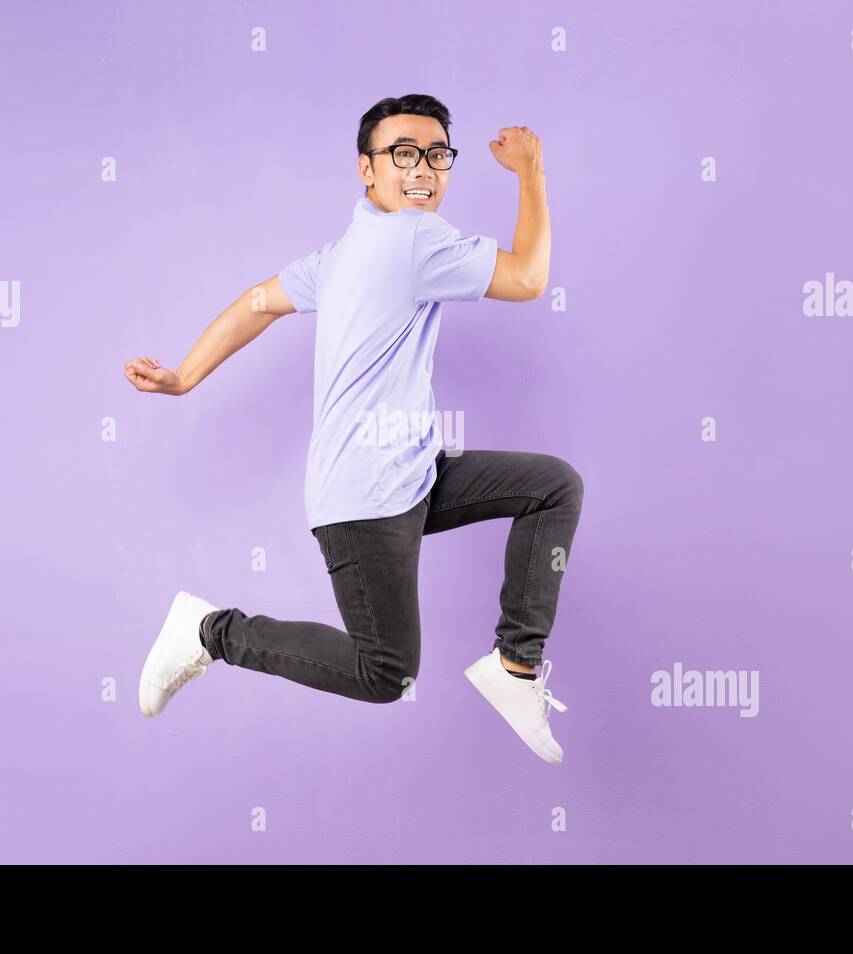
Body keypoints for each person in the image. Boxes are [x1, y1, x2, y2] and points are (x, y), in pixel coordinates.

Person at [123, 94, 582, 764]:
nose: (423, 168)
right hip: (366, 493)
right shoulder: (412, 237)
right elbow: (529, 278)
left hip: (412, 473)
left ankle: (514, 668)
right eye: (403, 154)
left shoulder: (342, 254)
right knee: (384, 672)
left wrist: (185, 375)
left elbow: (258, 302)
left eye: (436, 154)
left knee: (551, 487)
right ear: (366, 170)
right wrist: (532, 171)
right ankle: (209, 631)